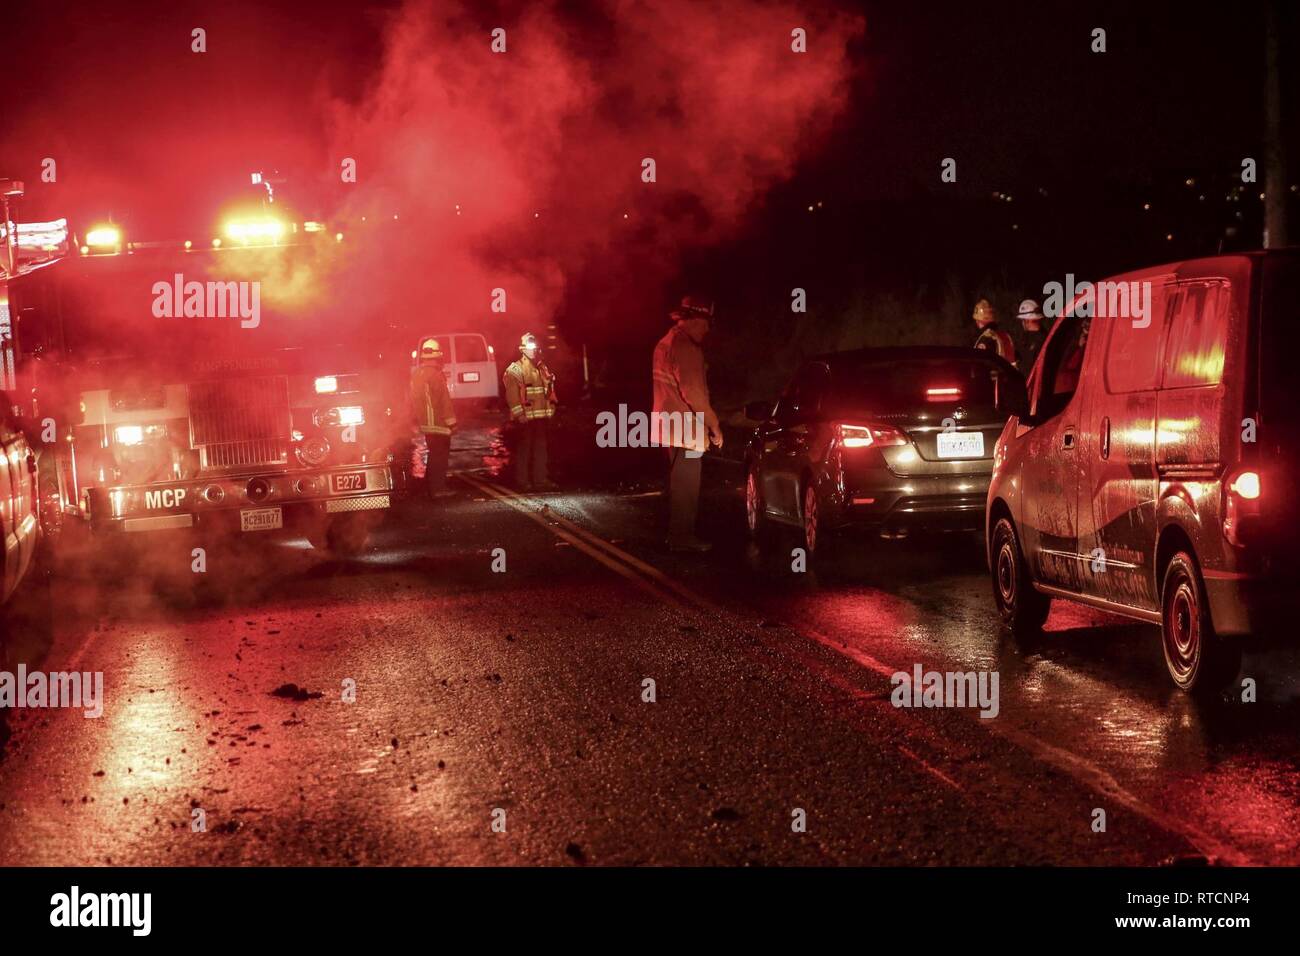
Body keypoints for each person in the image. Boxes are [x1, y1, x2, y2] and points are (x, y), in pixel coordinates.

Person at [651, 295, 723, 553]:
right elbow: (693, 392)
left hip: (671, 426)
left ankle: (677, 534)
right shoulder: (686, 347)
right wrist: (714, 425)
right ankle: (682, 537)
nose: (707, 329)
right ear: (692, 320)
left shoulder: (666, 342)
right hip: (686, 430)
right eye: (705, 323)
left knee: (678, 483)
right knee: (687, 486)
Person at [503, 332, 557, 491]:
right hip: (525, 418)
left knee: (541, 449)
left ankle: (540, 480)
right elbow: (512, 395)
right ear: (523, 349)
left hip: (540, 417)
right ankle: (522, 482)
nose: (534, 350)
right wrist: (519, 414)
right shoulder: (515, 369)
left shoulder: (542, 367)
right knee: (524, 449)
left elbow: (548, 390)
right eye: (531, 348)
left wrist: (551, 409)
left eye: (536, 348)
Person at [409, 337, 457, 498]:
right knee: (440, 457)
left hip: (426, 424)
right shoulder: (436, 375)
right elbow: (444, 401)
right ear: (438, 356)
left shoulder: (417, 374)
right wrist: (452, 422)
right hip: (439, 423)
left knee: (433, 455)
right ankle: (438, 489)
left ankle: (430, 488)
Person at [972, 298, 1017, 366]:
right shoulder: (1004, 335)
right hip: (1009, 375)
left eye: (977, 319)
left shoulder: (987, 337)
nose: (976, 322)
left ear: (980, 320)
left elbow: (980, 364)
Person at [1016, 298, 1048, 373]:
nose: (1022, 323)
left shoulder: (1039, 341)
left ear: (1027, 320)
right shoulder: (1045, 337)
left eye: (1023, 320)